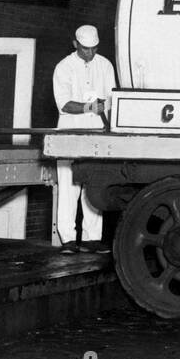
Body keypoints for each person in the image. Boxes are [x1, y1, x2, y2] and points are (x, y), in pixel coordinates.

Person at [52, 24, 116, 252]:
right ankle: (68, 239)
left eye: (94, 48)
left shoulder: (105, 65)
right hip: (70, 134)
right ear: (75, 44)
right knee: (69, 188)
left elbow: (112, 99)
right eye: (85, 48)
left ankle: (92, 238)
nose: (90, 53)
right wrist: (92, 105)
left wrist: (106, 111)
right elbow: (65, 104)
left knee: (93, 187)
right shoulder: (64, 67)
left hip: (97, 135)